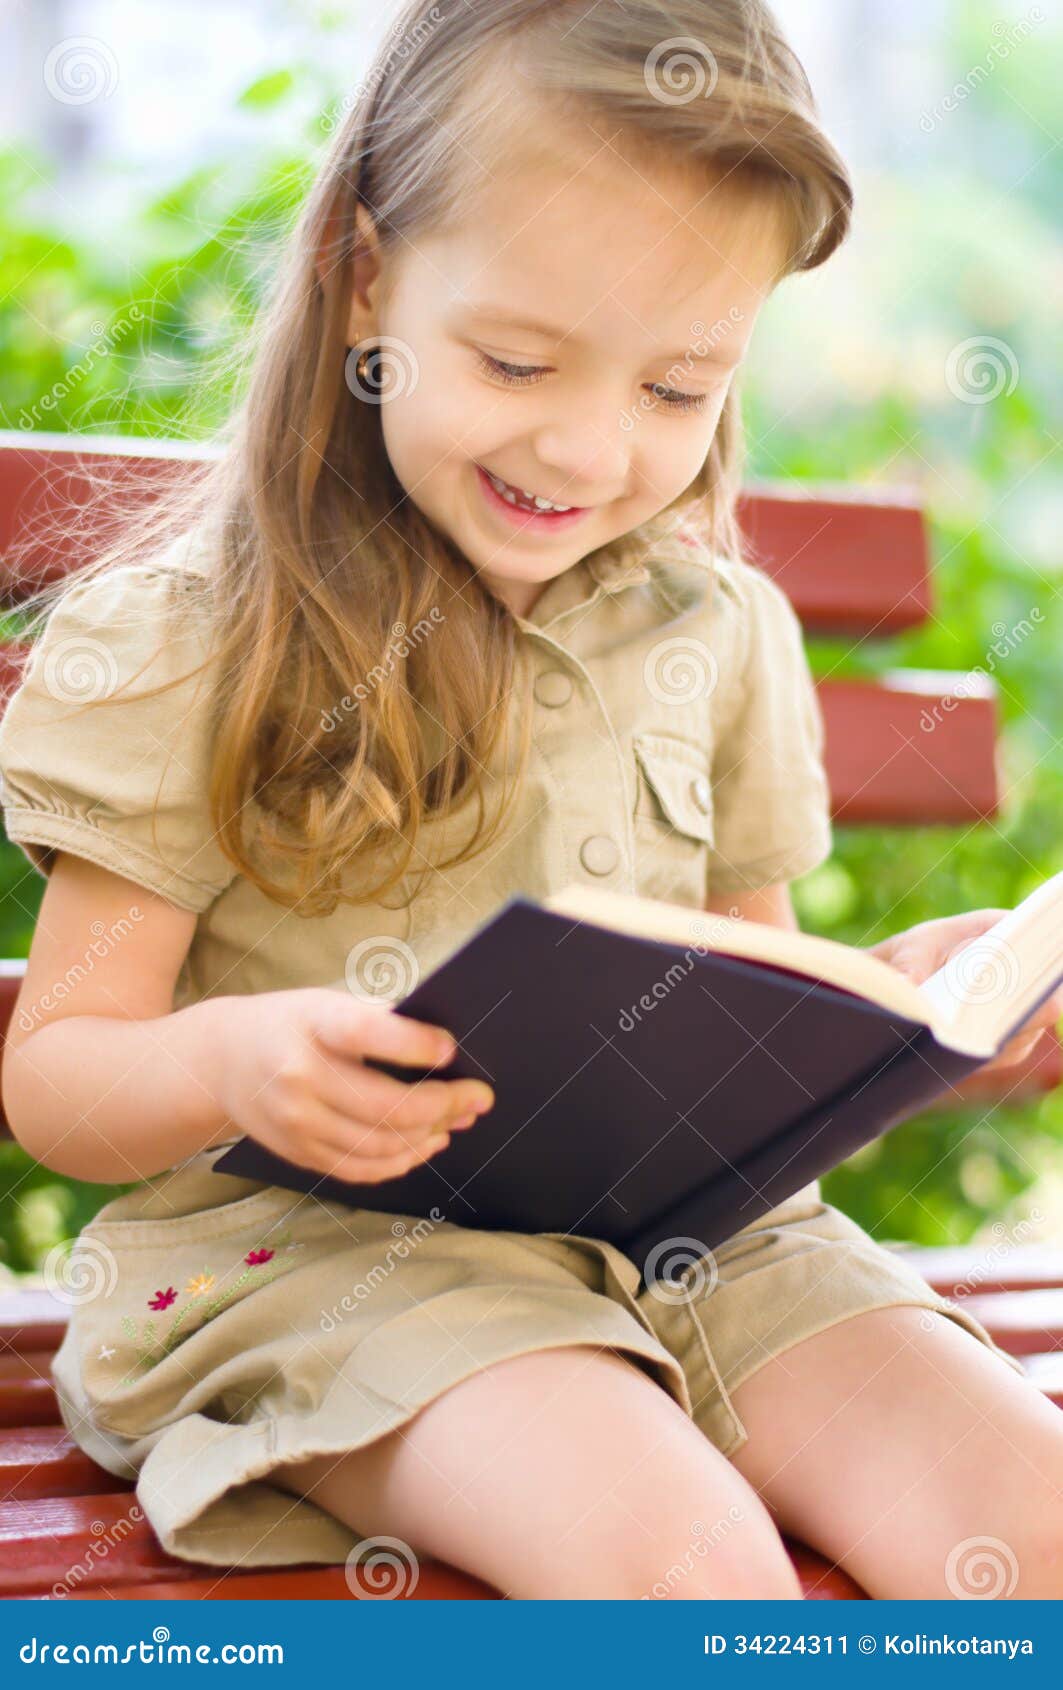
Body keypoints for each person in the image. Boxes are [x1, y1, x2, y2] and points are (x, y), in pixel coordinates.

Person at [1, 0, 1060, 1602]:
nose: (587, 446)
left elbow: (745, 992)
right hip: (330, 1271)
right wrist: (236, 1061)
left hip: (707, 1250)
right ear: (368, 280)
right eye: (517, 361)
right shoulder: (196, 635)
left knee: (1034, 1526)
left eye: (678, 388)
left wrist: (898, 1019)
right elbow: (59, 1072)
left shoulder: (718, 630)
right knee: (686, 1574)